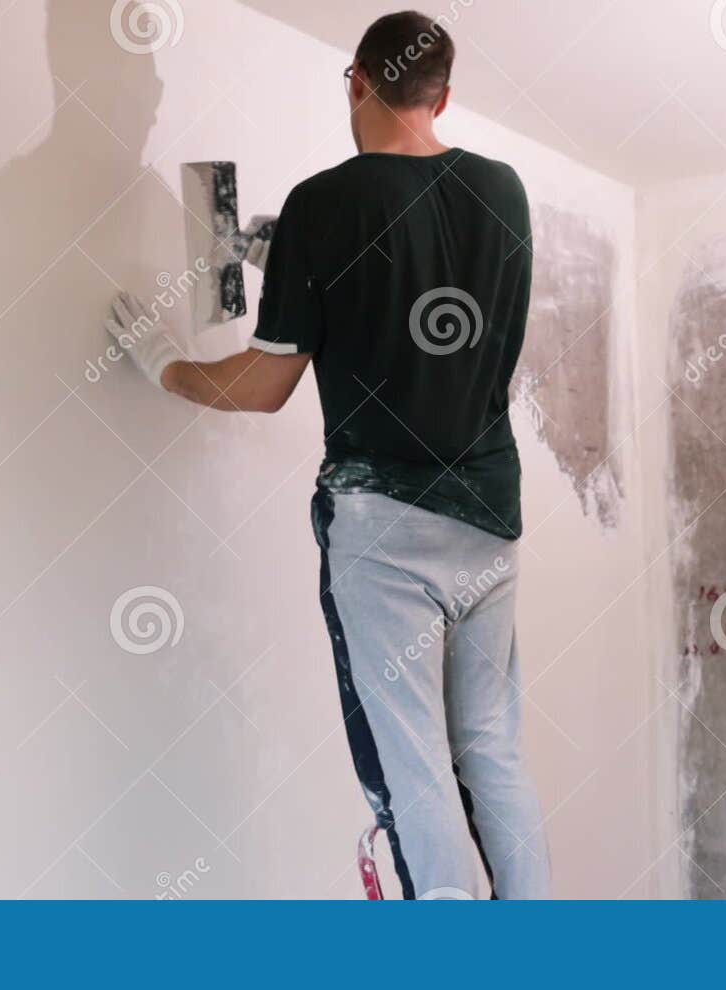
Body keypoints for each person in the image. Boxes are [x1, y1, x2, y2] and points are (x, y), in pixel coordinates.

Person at [104, 10, 550, 899]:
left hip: (386, 533)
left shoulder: (324, 204)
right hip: (489, 523)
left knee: (414, 761)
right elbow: (437, 306)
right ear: (444, 97)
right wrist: (318, 270)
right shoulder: (503, 191)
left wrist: (164, 366)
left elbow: (265, 386)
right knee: (492, 750)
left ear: (356, 80)